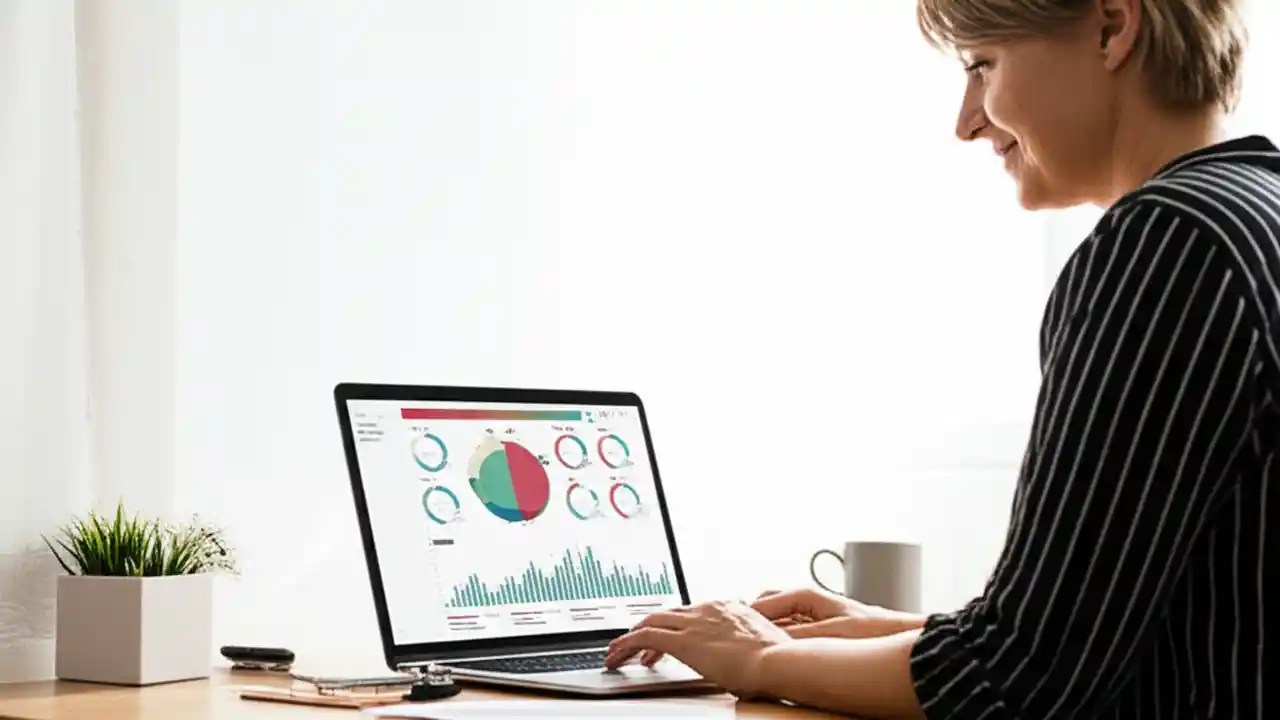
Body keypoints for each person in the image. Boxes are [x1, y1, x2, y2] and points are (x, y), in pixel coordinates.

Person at [604, 0, 1278, 716]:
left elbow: (1020, 679)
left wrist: (763, 657)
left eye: (982, 66)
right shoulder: (1253, 215)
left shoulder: (1168, 245)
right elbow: (1101, 639)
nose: (966, 121)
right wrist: (890, 631)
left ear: (1112, 29)